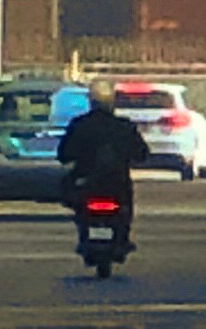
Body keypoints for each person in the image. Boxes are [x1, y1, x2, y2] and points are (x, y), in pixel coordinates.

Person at [59, 76, 148, 253]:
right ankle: (122, 236)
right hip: (116, 181)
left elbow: (63, 153)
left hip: (89, 180)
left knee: (71, 192)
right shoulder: (124, 126)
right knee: (125, 200)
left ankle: (98, 233)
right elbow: (141, 153)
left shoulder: (80, 125)